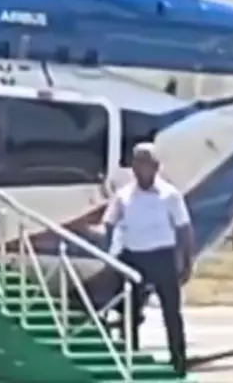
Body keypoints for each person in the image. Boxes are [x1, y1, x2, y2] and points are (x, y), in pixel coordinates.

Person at [102, 142, 193, 377]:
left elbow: (184, 229)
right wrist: (111, 252)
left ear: (156, 167)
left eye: (147, 164)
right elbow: (110, 222)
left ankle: (178, 361)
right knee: (130, 311)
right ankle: (131, 357)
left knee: (171, 312)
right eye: (138, 164)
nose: (142, 169)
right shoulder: (124, 196)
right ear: (132, 168)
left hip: (162, 255)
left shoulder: (169, 195)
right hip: (134, 257)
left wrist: (186, 262)